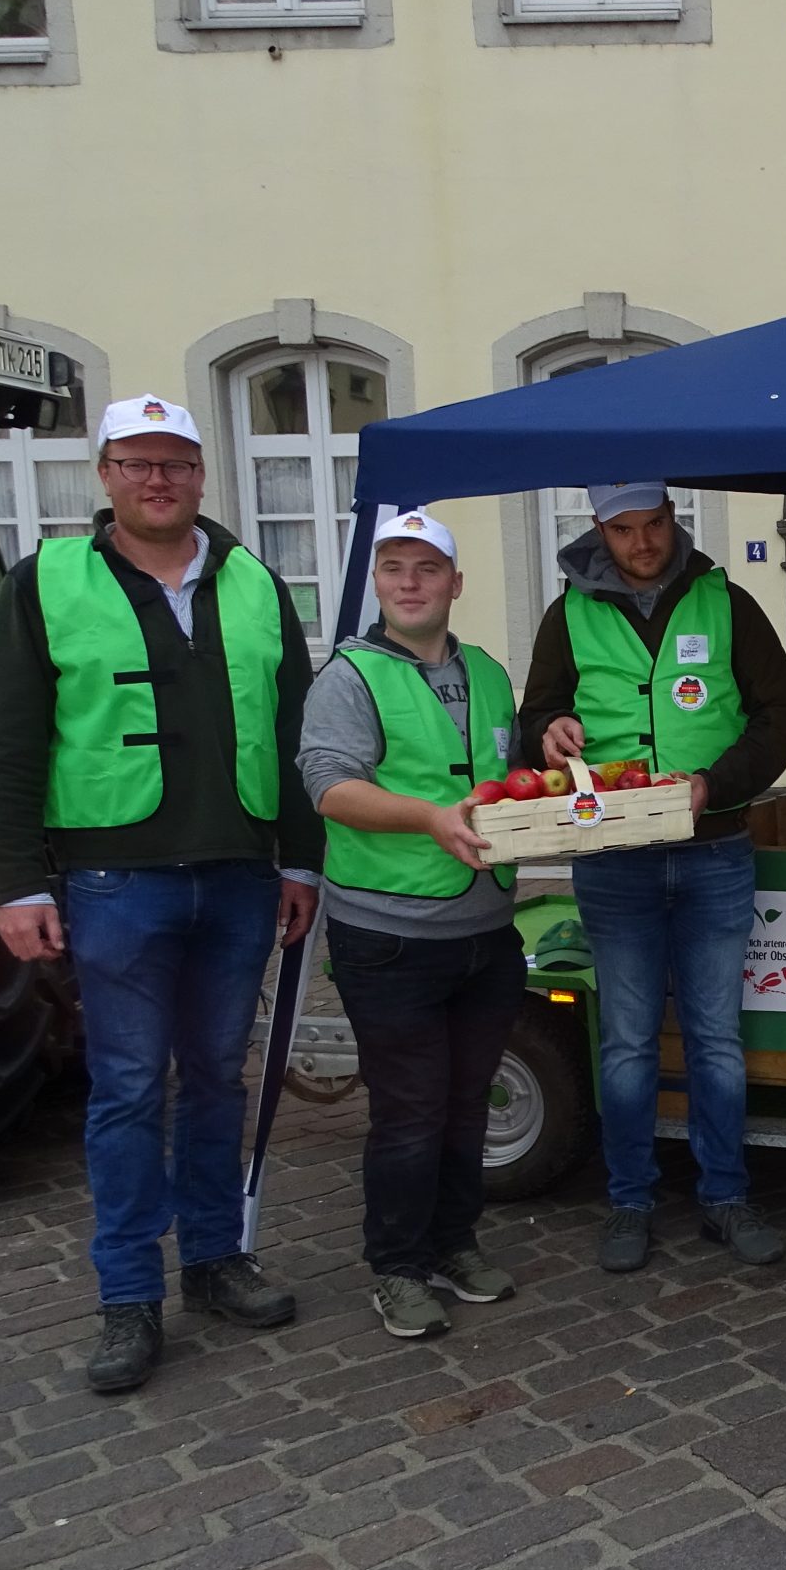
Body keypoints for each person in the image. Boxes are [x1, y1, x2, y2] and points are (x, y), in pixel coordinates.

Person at [0, 394, 321, 1394]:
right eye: (137, 462)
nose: (157, 478)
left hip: (238, 873)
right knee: (128, 1089)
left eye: (174, 461)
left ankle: (215, 1259)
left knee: (217, 1074)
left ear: (201, 474)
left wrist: (300, 861)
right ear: (106, 475)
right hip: (112, 879)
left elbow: (295, 731)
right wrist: (16, 882)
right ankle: (128, 1295)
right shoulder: (46, 582)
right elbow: (9, 748)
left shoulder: (252, 580)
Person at [518, 484, 786, 1274]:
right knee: (627, 1044)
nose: (642, 544)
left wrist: (718, 781)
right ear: (598, 531)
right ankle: (630, 1201)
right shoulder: (567, 614)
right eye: (623, 530)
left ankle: (725, 1195)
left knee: (717, 1040)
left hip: (715, 850)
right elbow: (531, 720)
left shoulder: (725, 601)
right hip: (614, 859)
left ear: (672, 521)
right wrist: (548, 732)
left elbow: (783, 714)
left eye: (653, 525)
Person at [300, 510, 527, 1340]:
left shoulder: (492, 674)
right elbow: (329, 786)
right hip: (389, 936)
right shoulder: (350, 677)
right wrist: (431, 819)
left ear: (454, 584)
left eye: (426, 569)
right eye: (393, 567)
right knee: (410, 1110)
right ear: (377, 582)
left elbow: (506, 779)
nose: (409, 581)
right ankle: (397, 1267)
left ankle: (454, 1243)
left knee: (468, 1102)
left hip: (486, 931)